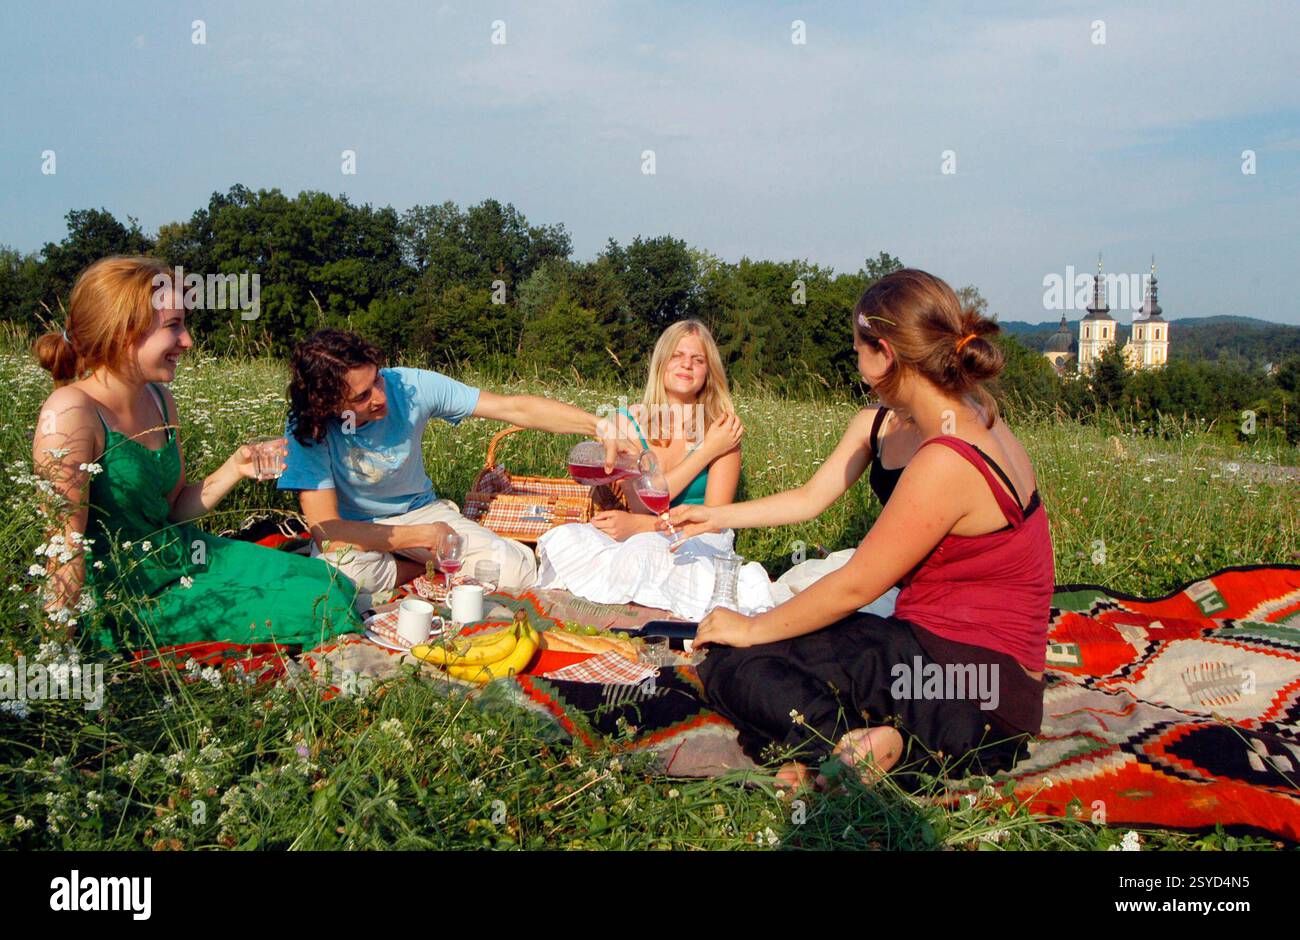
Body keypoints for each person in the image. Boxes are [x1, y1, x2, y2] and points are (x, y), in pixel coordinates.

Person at [666, 269, 1054, 789]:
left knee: (733, 664)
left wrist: (750, 628)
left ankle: (862, 747)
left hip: (967, 689)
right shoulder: (972, 413)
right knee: (787, 640)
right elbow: (811, 499)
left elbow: (857, 584)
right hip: (978, 674)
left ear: (885, 353)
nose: (855, 360)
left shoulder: (947, 457)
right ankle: (883, 741)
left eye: (858, 348)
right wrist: (716, 517)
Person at [31, 256, 362, 651]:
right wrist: (53, 657)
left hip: (180, 554)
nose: (187, 341)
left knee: (330, 582)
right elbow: (64, 549)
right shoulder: (71, 411)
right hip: (129, 591)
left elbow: (171, 509)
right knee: (316, 607)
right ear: (124, 332)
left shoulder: (159, 398)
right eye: (173, 326)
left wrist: (235, 467)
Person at [279, 329, 638, 611]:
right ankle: (419, 568)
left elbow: (514, 409)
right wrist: (419, 539)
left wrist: (598, 426)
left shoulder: (412, 386)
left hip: (419, 510)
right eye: (361, 397)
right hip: (355, 531)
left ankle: (408, 568)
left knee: (516, 569)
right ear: (326, 404)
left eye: (377, 380)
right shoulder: (309, 427)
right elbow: (328, 531)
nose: (380, 397)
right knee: (339, 579)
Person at [535, 320, 761, 619]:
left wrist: (708, 448)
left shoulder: (720, 430)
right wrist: (704, 454)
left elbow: (715, 519)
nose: (686, 366)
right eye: (677, 355)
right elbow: (643, 504)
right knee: (571, 537)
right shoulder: (626, 423)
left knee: (646, 550)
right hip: (643, 529)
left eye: (698, 360)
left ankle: (651, 624)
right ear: (661, 361)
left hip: (696, 536)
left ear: (709, 372)